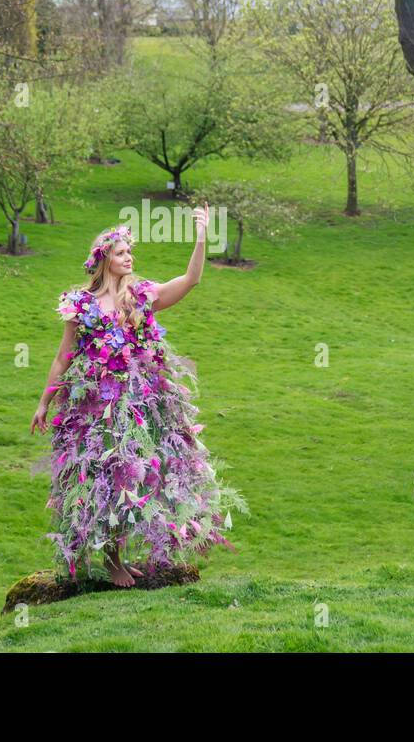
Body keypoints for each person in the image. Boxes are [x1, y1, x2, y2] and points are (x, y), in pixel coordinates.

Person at [31, 204, 248, 587]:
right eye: (120, 252)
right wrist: (44, 401)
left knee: (137, 475)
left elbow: (190, 280)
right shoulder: (81, 306)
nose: (128, 257)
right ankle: (112, 561)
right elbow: (64, 355)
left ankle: (124, 556)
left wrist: (201, 236)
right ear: (103, 260)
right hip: (95, 407)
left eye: (130, 252)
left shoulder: (142, 297)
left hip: (140, 403)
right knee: (106, 476)